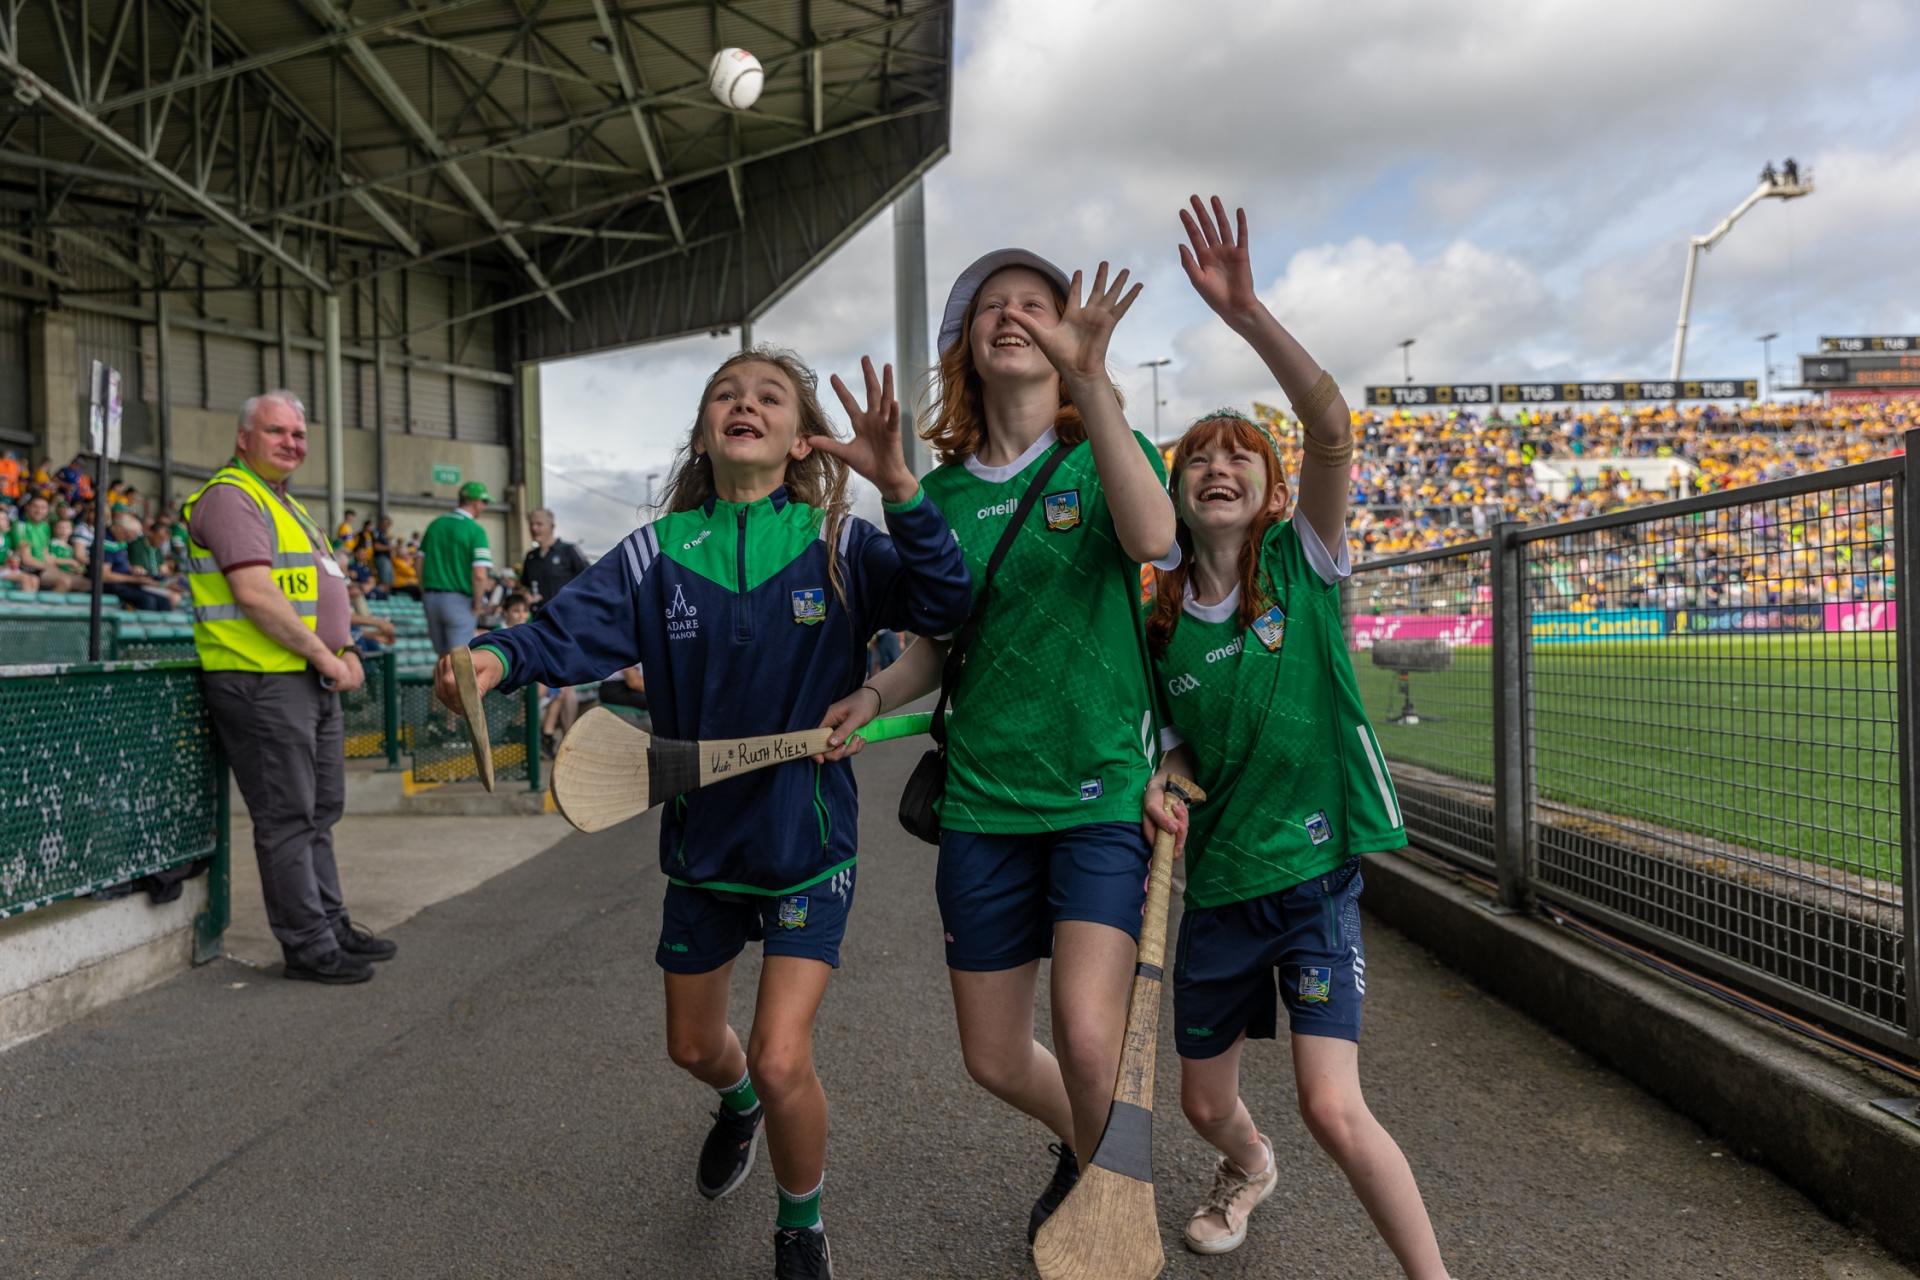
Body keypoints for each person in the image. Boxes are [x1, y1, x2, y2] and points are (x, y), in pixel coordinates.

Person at [435, 348, 971, 1280]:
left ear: (802, 439)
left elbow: (946, 601)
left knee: (781, 1055)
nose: (744, 403)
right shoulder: (657, 554)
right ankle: (738, 1106)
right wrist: (491, 660)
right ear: (702, 434)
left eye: (768, 396)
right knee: (692, 1046)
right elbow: (560, 633)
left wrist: (899, 487)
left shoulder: (840, 542)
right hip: (703, 844)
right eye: (726, 393)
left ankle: (800, 1226)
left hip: (806, 843)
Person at [818, 249, 1175, 1245]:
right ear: (966, 346)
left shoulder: (1109, 451)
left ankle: (1113, 1221)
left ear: (1066, 336)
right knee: (994, 1057)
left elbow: (1152, 538)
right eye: (991, 307)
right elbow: (939, 641)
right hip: (982, 799)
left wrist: (1092, 382)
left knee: (1091, 1040)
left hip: (1100, 792)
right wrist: (871, 694)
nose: (1013, 314)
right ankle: (1093, 1150)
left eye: (1035, 304)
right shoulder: (934, 492)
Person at [1142, 197, 1443, 1272]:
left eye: (1241, 458)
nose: (1219, 469)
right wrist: (1167, 773)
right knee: (1201, 1101)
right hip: (1219, 887)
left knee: (1333, 1103)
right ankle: (1246, 1163)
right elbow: (1179, 739)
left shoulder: (1304, 563)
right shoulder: (1158, 614)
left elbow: (1330, 427)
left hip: (1313, 879)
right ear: (1176, 491)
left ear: (1273, 491)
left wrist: (1246, 313)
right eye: (1198, 461)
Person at [183, 389, 396, 986]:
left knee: (320, 811)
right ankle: (308, 946)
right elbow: (254, 595)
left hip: (305, 675)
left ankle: (330, 924)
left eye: (298, 434)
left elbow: (319, 592)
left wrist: (346, 649)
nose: (291, 443)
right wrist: (328, 655)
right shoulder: (232, 497)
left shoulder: (286, 504)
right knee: (288, 817)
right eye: (276, 431)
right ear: (243, 438)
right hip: (262, 680)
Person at [418, 481, 494, 656]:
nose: (484, 507)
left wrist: (424, 591)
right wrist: (477, 604)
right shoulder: (475, 530)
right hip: (459, 601)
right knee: (461, 663)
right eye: (484, 502)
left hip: (431, 599)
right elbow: (480, 574)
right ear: (476, 502)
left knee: (443, 659)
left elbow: (419, 563)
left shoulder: (435, 524)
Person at [498, 591, 577, 752]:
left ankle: (547, 735)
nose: (521, 615)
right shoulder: (498, 633)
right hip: (507, 686)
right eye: (516, 611)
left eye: (525, 611)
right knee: (544, 688)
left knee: (563, 689)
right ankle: (520, 728)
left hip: (528, 682)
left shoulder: (529, 631)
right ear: (505, 612)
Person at [520, 507, 590, 614]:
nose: (534, 528)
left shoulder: (568, 550)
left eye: (539, 524)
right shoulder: (531, 557)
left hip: (566, 616)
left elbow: (590, 579)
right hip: (539, 618)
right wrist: (527, 596)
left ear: (552, 526)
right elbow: (524, 586)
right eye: (531, 524)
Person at [8, 494, 83, 592]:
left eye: (43, 508)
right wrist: (51, 568)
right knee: (64, 581)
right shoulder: (20, 525)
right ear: (27, 507)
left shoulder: (45, 527)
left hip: (43, 568)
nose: (39, 511)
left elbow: (45, 554)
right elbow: (26, 560)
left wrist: (67, 566)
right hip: (27, 569)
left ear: (48, 510)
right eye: (35, 507)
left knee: (87, 584)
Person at [371, 515, 396, 589]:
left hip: (387, 558)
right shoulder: (377, 533)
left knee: (390, 581)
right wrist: (390, 547)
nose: (387, 526)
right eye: (386, 524)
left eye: (389, 524)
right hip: (381, 558)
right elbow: (376, 546)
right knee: (384, 581)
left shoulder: (385, 534)